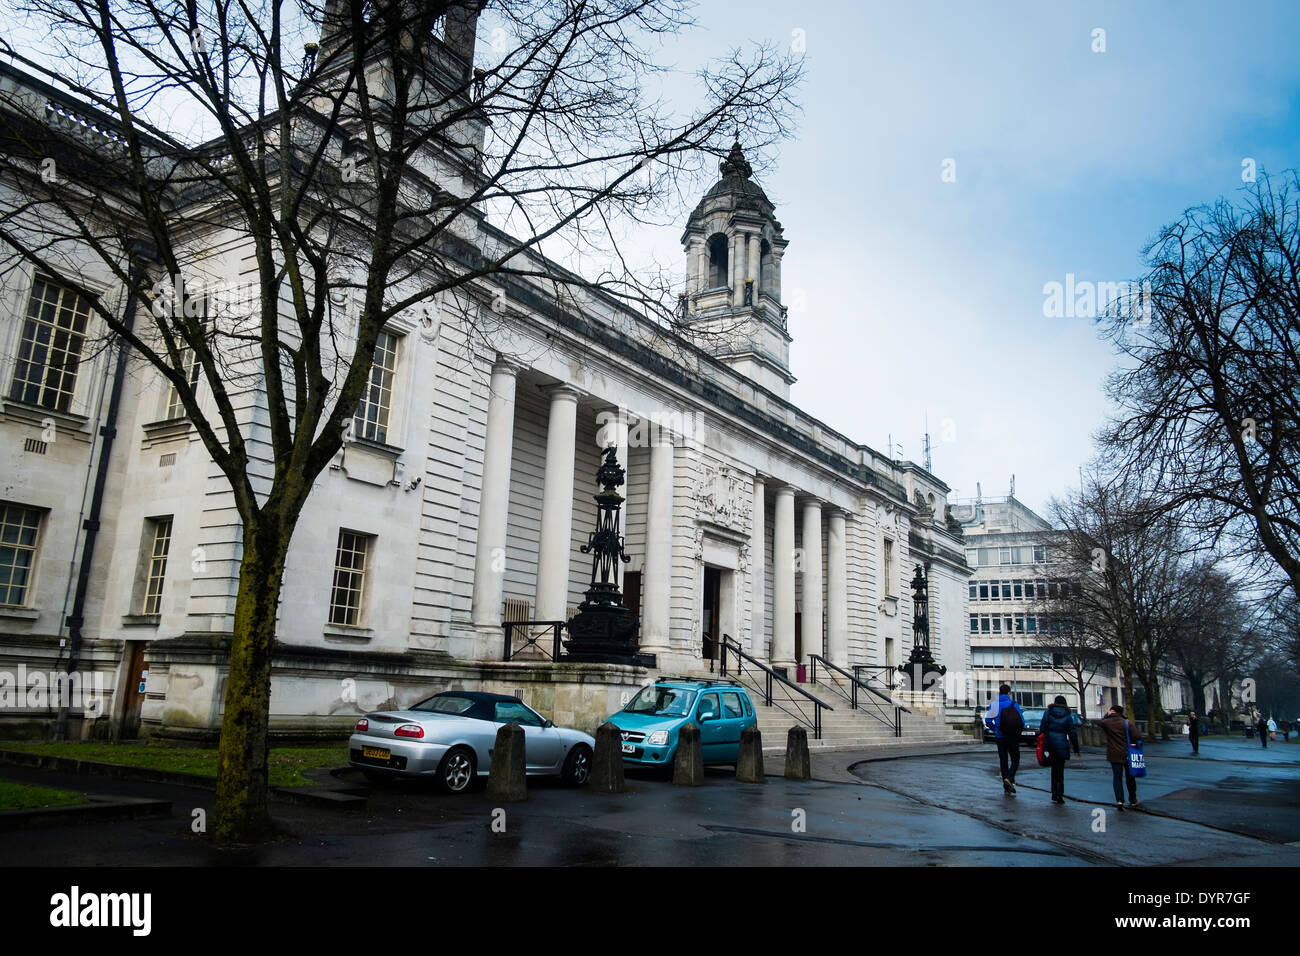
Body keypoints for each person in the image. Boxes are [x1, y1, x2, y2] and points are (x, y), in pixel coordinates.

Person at [1096, 705, 1141, 810]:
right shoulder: (1127, 723)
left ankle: (1119, 800)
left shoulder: (1107, 722)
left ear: (1112, 711)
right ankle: (1133, 799)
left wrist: (1106, 715)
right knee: (1130, 777)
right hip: (1127, 753)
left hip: (1114, 753)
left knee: (1117, 777)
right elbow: (1137, 736)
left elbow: (1100, 723)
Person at [1039, 695, 1081, 803]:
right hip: (1062, 743)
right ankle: (1060, 794)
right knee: (1060, 770)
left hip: (1050, 743)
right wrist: (1076, 748)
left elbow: (1042, 727)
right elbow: (1072, 732)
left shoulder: (1048, 712)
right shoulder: (1067, 715)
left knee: (1053, 769)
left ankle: (1054, 792)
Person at [984, 684, 1025, 795]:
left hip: (1000, 737)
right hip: (1012, 736)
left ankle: (1006, 786)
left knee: (1003, 760)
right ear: (1008, 693)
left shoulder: (994, 705)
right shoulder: (1013, 704)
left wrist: (996, 729)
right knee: (1015, 759)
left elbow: (987, 721)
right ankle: (1010, 778)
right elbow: (1022, 721)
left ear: (999, 692)